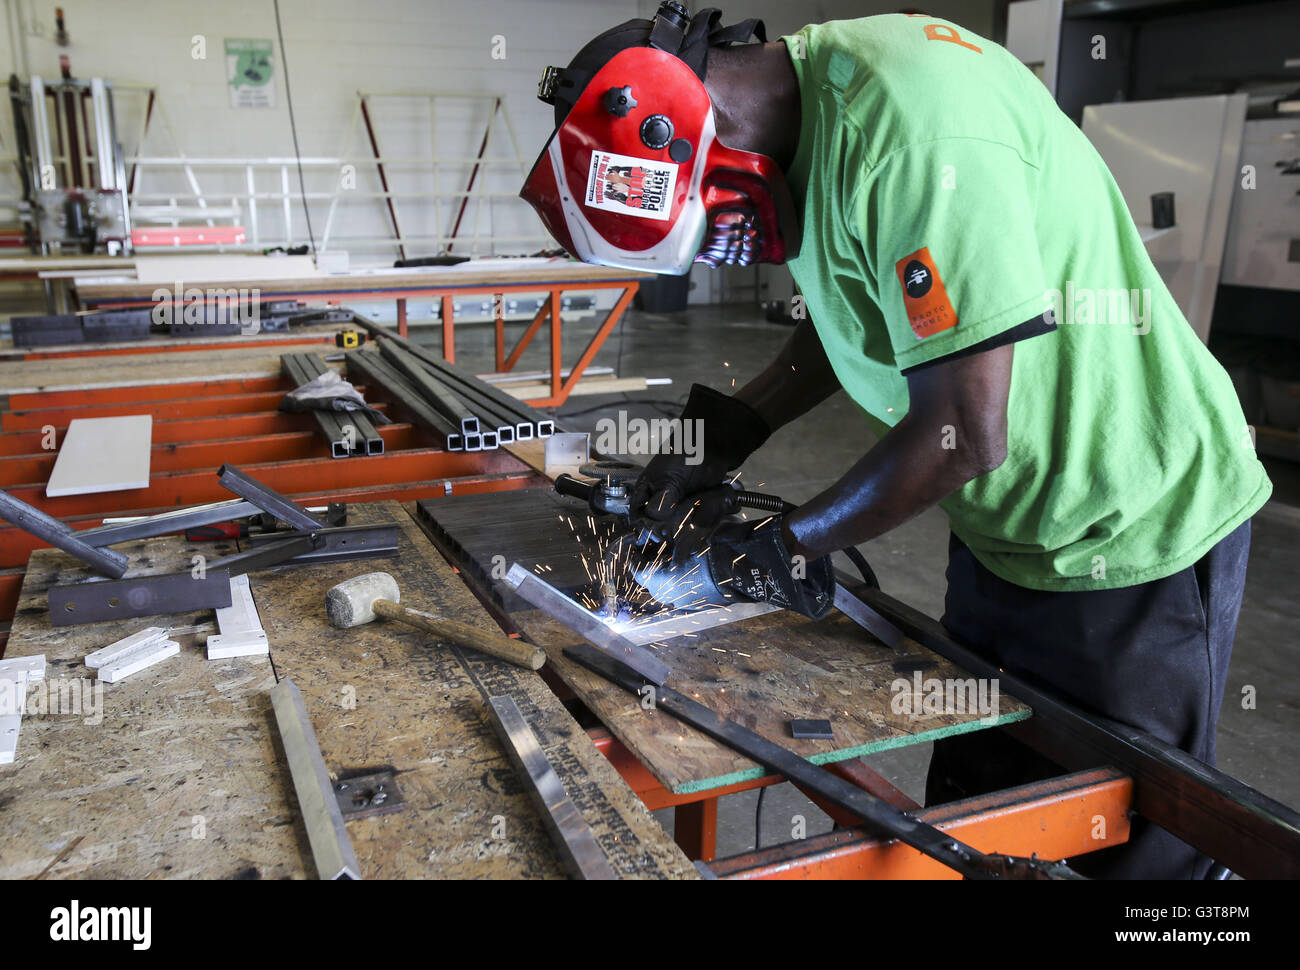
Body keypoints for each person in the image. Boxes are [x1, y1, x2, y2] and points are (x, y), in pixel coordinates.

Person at [520, 3, 1272, 879]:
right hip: (1006, 530)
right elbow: (870, 310)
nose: (730, 253)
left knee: (1139, 852)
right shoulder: (804, 128)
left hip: (1131, 520)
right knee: (982, 813)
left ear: (696, 124)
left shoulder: (914, 133)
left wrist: (783, 545)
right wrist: (734, 426)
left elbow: (964, 434)